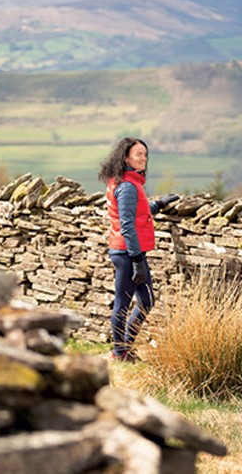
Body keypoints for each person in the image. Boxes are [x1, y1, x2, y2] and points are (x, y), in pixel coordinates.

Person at [98, 137, 179, 362]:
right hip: (127, 254)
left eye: (145, 154)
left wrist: (158, 205)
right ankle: (120, 352)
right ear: (126, 157)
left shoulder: (129, 182)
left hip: (130, 252)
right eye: (138, 154)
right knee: (123, 303)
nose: (143, 158)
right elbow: (127, 224)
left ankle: (125, 347)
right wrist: (136, 260)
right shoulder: (127, 186)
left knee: (147, 299)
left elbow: (137, 214)